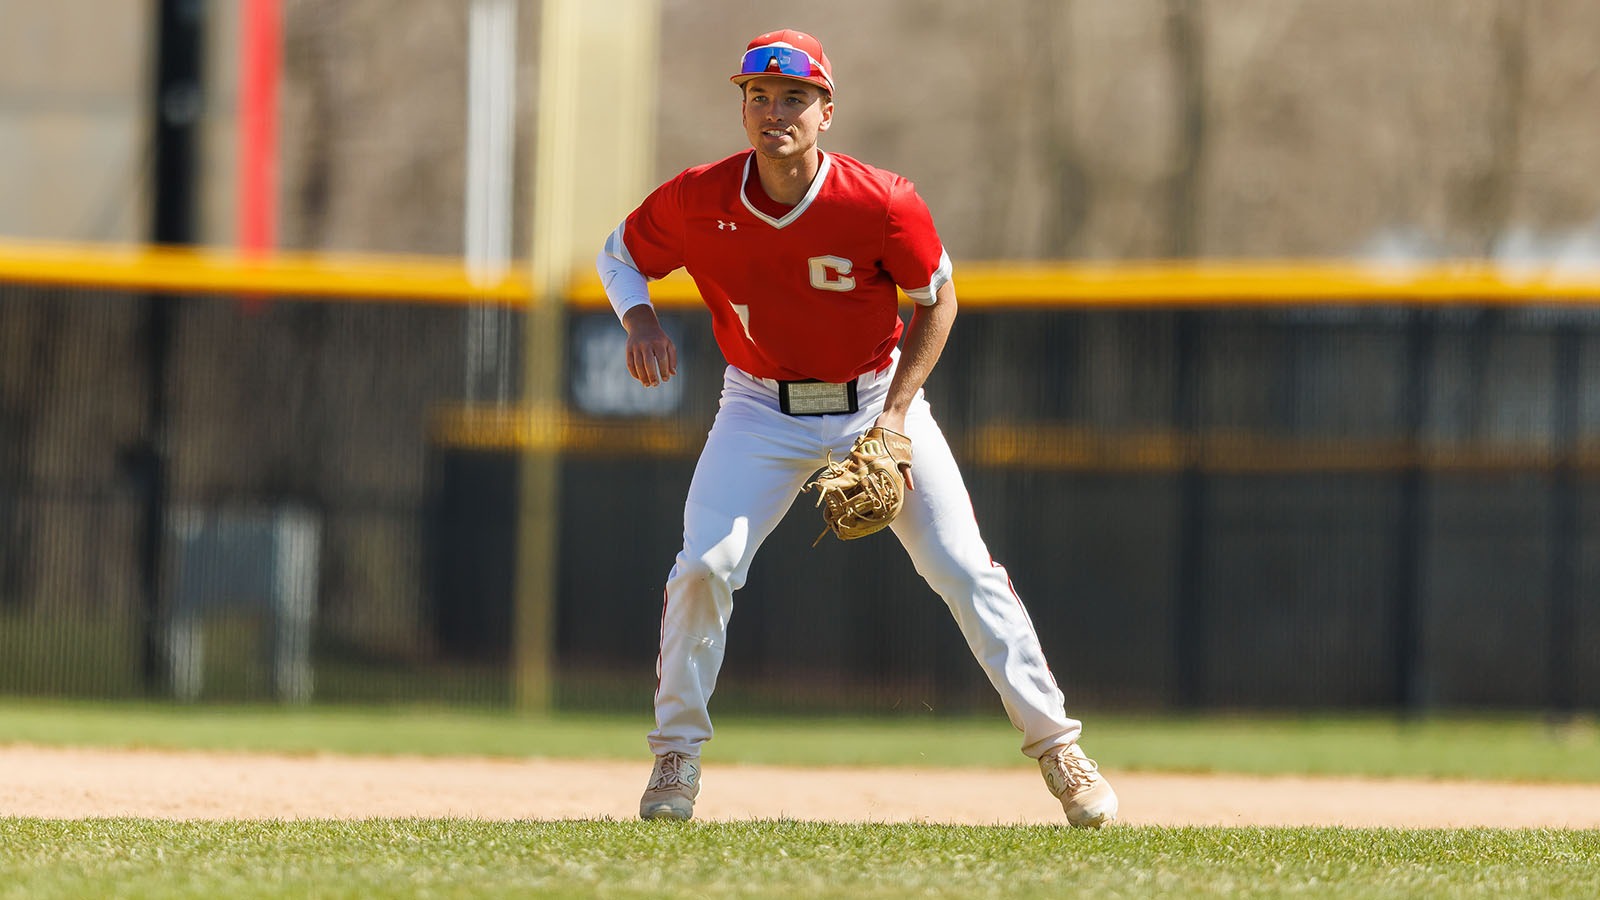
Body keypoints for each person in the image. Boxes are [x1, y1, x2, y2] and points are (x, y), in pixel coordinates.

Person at [596, 28, 1118, 827]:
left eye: (794, 98)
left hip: (874, 400)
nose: (775, 112)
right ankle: (676, 757)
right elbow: (619, 252)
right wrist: (639, 321)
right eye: (758, 97)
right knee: (704, 565)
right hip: (759, 406)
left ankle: (1060, 751)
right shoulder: (700, 197)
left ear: (826, 111)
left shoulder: (880, 200)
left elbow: (937, 298)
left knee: (963, 569)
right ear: (742, 106)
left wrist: (898, 419)